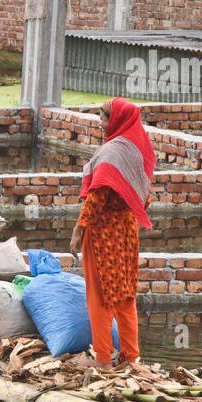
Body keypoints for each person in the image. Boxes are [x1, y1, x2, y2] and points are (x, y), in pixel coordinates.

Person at [69, 98, 154, 369]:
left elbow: (96, 197)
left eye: (104, 118)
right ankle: (130, 356)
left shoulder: (112, 153)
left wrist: (77, 231)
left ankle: (103, 359)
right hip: (128, 232)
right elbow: (145, 198)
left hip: (104, 233)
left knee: (101, 294)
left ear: (117, 120)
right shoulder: (137, 149)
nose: (100, 123)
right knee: (125, 293)